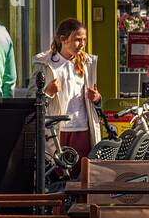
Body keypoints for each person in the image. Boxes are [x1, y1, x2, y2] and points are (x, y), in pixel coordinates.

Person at [33, 18, 101, 172]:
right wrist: (48, 92)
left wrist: (96, 98)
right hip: (58, 131)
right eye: (77, 40)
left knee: (82, 177)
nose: (82, 44)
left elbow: (95, 99)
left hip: (82, 128)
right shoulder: (45, 63)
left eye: (84, 39)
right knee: (57, 177)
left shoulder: (87, 62)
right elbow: (31, 100)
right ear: (63, 39)